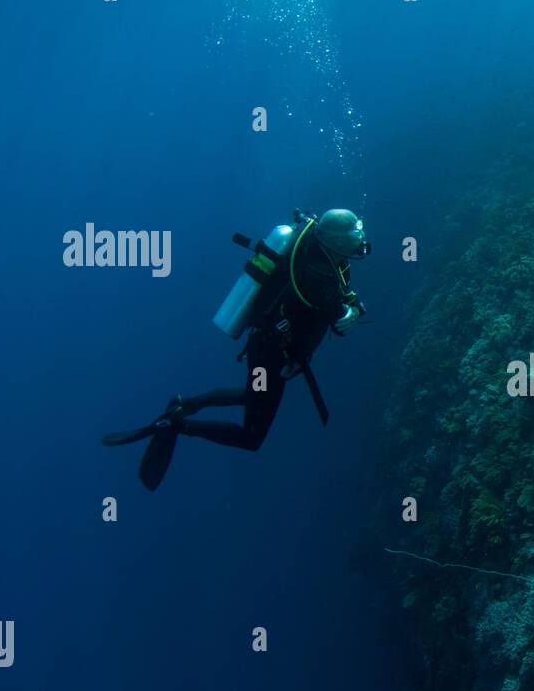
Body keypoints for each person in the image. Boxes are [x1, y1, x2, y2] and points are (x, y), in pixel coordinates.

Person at [103, 208, 370, 490]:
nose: (360, 238)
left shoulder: (326, 257)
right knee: (251, 437)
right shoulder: (319, 274)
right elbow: (340, 321)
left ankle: (187, 403)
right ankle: (176, 425)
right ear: (336, 240)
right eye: (354, 234)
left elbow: (339, 301)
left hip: (269, 351)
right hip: (270, 356)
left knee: (252, 394)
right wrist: (351, 312)